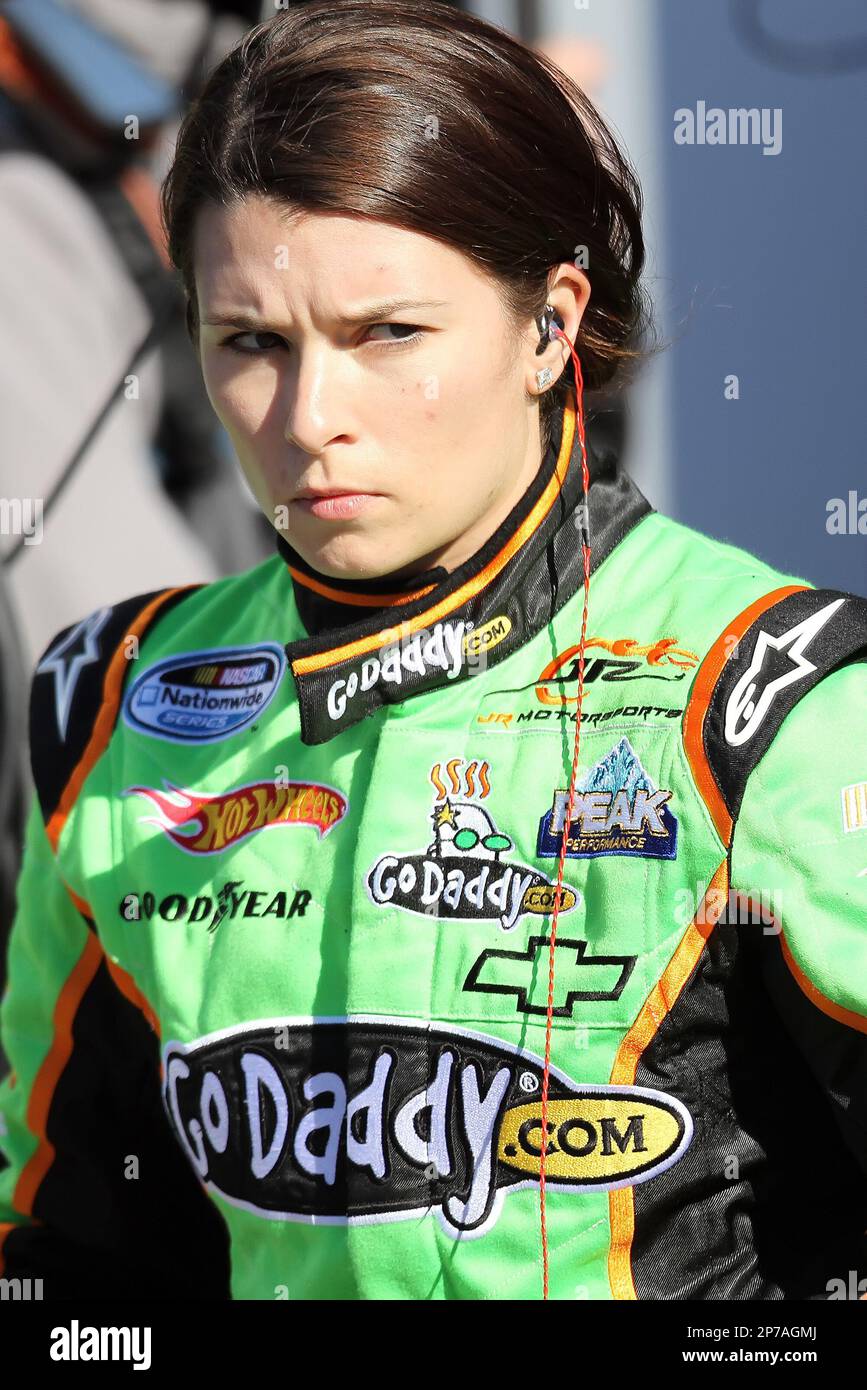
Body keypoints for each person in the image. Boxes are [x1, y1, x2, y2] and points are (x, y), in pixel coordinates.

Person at [1, 0, 865, 1303]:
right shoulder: (116, 700)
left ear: (549, 328)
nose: (310, 419)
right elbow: (66, 1253)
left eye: (387, 334)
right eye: (251, 344)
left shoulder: (770, 692)